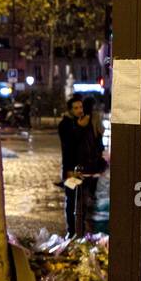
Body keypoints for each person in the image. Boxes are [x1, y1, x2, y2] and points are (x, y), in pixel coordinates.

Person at [57, 95, 102, 237]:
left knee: (83, 201)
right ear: (70, 110)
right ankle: (71, 232)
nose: (79, 110)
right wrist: (79, 128)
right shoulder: (65, 124)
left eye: (80, 107)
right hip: (70, 169)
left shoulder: (85, 122)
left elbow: (91, 144)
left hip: (85, 169)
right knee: (71, 200)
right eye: (76, 108)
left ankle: (81, 231)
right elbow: (69, 146)